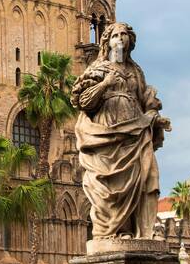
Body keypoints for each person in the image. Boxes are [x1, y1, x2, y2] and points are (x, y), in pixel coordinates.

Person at [71, 21, 171, 241]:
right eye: (116, 35)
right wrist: (105, 84)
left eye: (124, 35)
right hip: (107, 134)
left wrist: (154, 115)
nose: (121, 39)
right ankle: (115, 231)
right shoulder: (97, 69)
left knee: (147, 176)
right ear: (106, 42)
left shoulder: (136, 72)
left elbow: (145, 100)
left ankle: (144, 232)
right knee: (111, 189)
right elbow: (83, 101)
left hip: (137, 133)